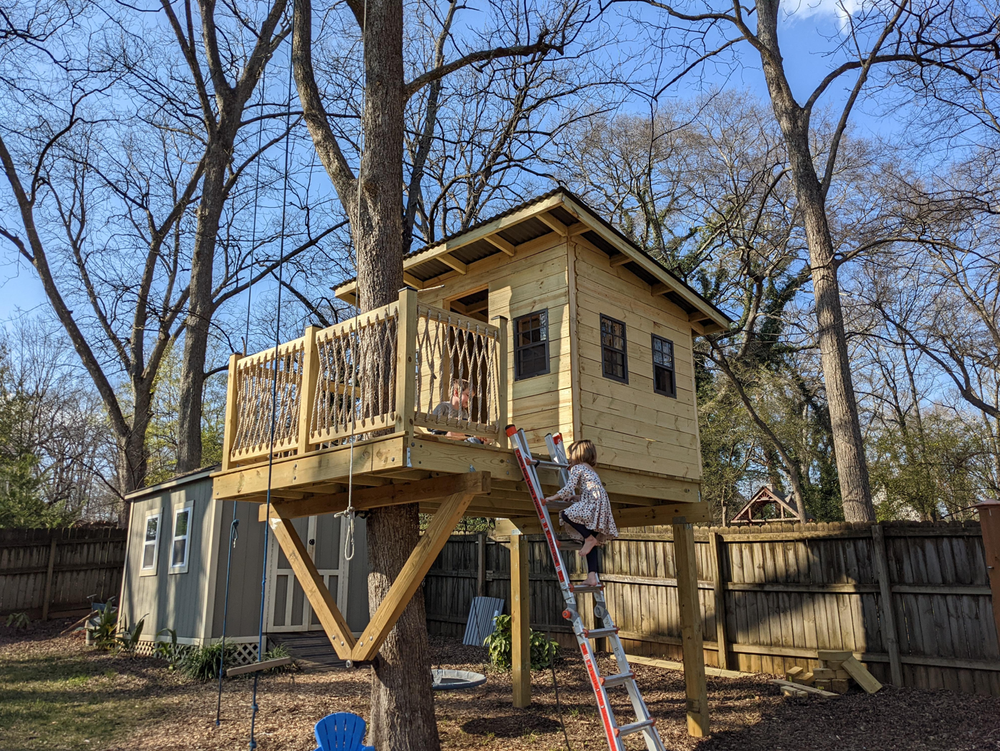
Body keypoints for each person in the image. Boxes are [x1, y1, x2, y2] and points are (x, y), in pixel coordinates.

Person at [545, 439, 618, 587]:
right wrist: (576, 497)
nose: (569, 458)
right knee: (591, 542)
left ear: (577, 455)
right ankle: (592, 576)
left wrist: (551, 498)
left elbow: (568, 487)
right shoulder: (591, 470)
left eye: (571, 454)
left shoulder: (578, 468)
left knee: (566, 514)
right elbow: (590, 490)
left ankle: (589, 538)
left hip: (594, 501)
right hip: (600, 501)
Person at [429, 379, 483, 443]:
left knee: (475, 441)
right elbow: (431, 426)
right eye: (468, 395)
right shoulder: (443, 407)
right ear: (456, 393)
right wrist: (452, 423)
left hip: (459, 440)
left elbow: (466, 432)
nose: (470, 400)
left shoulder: (464, 413)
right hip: (444, 438)